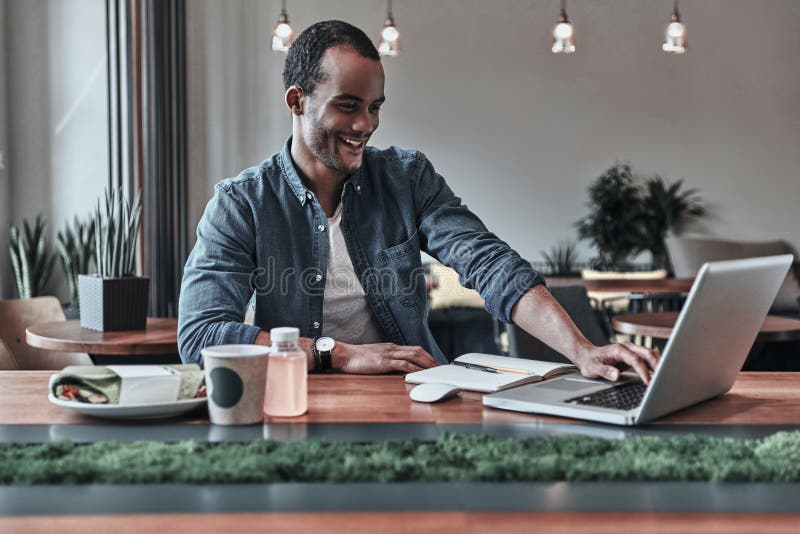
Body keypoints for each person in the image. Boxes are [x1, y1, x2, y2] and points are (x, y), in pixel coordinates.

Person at [178, 20, 659, 382]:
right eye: (348, 105)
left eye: (374, 107)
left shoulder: (406, 178)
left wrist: (582, 350)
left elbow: (488, 262)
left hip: (414, 397)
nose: (365, 125)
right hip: (300, 400)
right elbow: (201, 336)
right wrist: (339, 354)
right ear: (297, 101)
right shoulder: (241, 204)